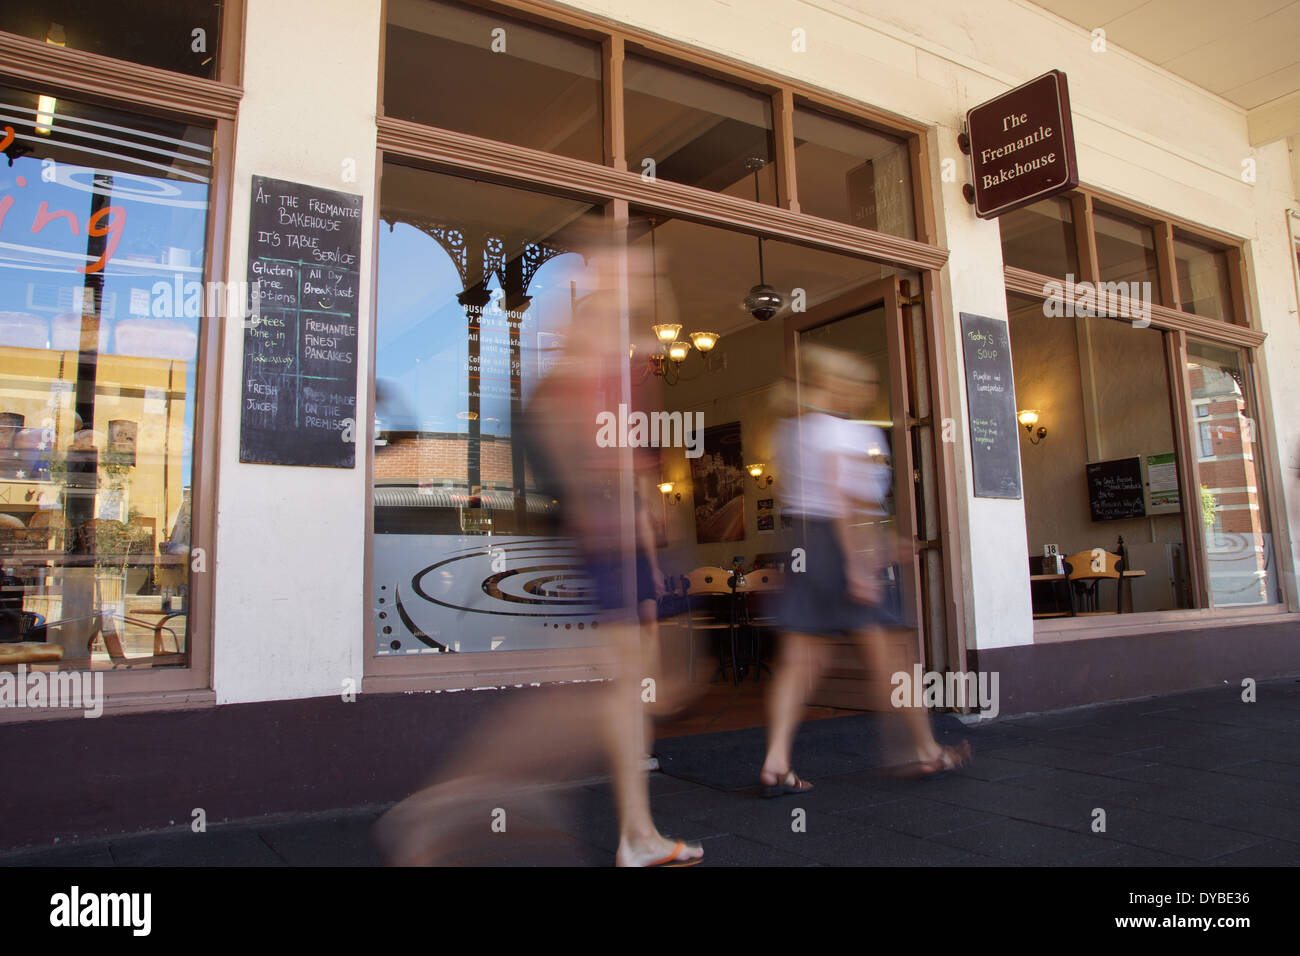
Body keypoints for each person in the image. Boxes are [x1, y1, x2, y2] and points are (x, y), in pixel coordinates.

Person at [374, 223, 702, 867]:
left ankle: (636, 833)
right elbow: (564, 423)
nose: (649, 276)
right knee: (620, 686)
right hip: (605, 535)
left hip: (621, 535)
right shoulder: (597, 332)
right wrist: (604, 506)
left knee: (629, 687)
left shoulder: (616, 337)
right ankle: (454, 798)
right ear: (613, 267)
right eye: (640, 264)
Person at [759, 344, 969, 796]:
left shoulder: (791, 432)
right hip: (839, 547)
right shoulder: (848, 434)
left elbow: (808, 500)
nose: (866, 392)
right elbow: (844, 502)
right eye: (861, 384)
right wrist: (859, 564)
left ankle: (776, 759)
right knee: (893, 656)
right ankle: (925, 749)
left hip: (803, 546)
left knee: (799, 660)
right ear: (838, 386)